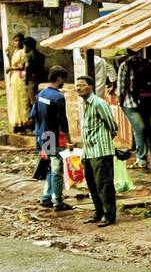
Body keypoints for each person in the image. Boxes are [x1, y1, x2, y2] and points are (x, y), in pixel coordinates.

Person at [74, 75, 119, 227]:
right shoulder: (84, 104)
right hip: (88, 152)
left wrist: (106, 141)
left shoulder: (99, 103)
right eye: (77, 86)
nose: (78, 88)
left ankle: (109, 215)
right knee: (92, 185)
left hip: (101, 151)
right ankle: (98, 212)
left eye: (81, 85)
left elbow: (113, 126)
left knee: (104, 184)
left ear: (90, 86)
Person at [31, 66, 71, 212]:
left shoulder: (41, 93)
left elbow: (33, 114)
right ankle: (58, 201)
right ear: (59, 79)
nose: (63, 83)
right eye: (63, 80)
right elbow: (63, 120)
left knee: (49, 168)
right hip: (51, 136)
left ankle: (46, 197)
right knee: (56, 169)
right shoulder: (58, 97)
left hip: (41, 135)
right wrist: (69, 140)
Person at [117, 48, 151, 169]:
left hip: (131, 103)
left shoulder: (125, 65)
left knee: (140, 129)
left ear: (128, 52)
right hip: (150, 102)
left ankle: (142, 160)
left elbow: (121, 86)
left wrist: (121, 102)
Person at [6, 32, 30, 132]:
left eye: (18, 41)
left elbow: (22, 67)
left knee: (22, 99)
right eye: (15, 41)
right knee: (15, 100)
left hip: (20, 77)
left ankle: (25, 122)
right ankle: (17, 123)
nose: (17, 43)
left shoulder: (23, 52)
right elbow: (14, 63)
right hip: (14, 77)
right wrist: (8, 56)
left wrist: (10, 68)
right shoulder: (16, 51)